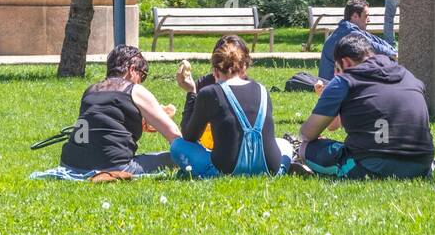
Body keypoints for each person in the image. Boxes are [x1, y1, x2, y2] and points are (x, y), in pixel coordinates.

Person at [297, 32, 435, 180]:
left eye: (337, 68)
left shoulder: (344, 81)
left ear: (346, 63)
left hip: (371, 165)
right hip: (422, 165)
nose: (336, 75)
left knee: (306, 148)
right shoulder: (409, 76)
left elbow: (307, 134)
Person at [171, 36, 292, 178]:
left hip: (225, 170)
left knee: (177, 146)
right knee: (284, 143)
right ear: (244, 67)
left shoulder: (209, 93)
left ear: (215, 71)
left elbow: (189, 136)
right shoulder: (262, 90)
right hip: (269, 170)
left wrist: (192, 92)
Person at [51, 45, 179, 178]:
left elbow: (102, 123)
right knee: (174, 160)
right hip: (113, 166)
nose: (140, 82)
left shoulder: (91, 90)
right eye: (143, 76)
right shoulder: (134, 90)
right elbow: (174, 135)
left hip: (70, 164)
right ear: (132, 70)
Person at [318, 0, 397, 82]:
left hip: (336, 81)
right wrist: (395, 55)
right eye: (366, 16)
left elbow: (378, 42)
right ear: (355, 16)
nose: (369, 20)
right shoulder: (350, 33)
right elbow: (382, 51)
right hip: (333, 85)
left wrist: (393, 52)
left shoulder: (347, 29)